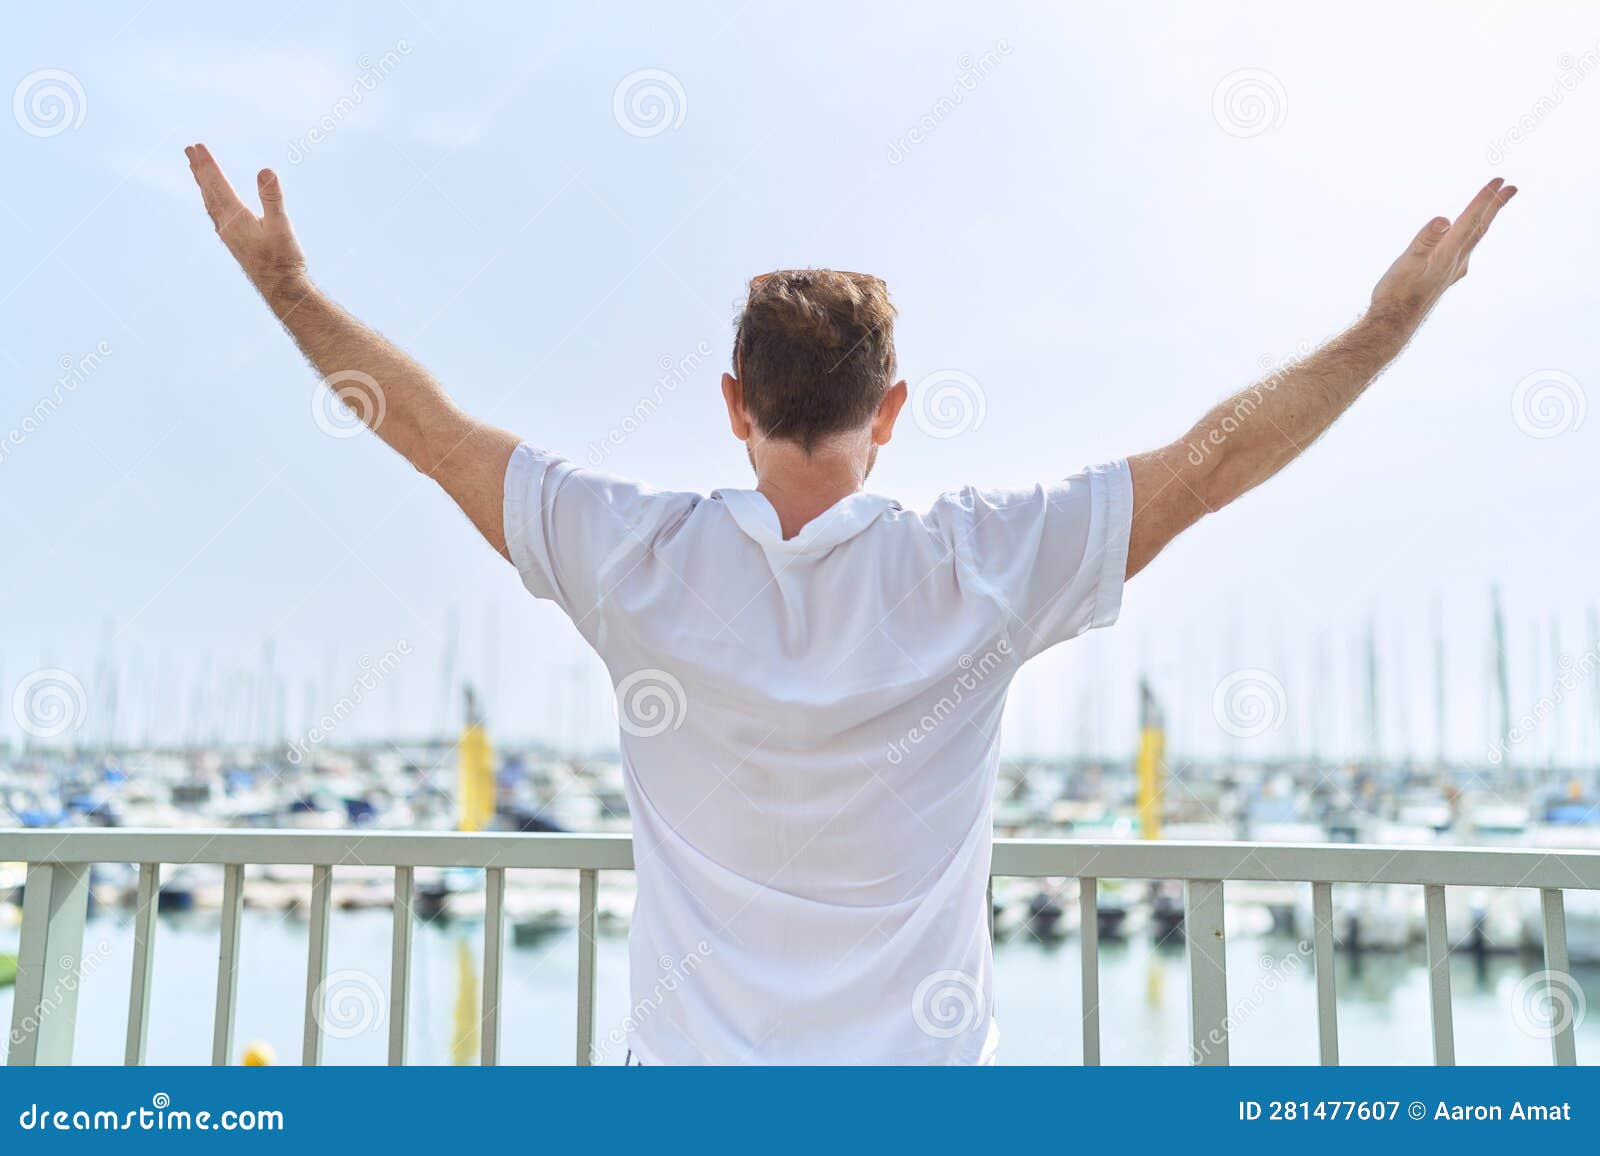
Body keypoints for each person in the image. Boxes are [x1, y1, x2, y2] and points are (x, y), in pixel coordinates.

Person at [184, 144, 1514, 1064]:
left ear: (734, 405)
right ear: (890, 410)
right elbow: (1213, 465)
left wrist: (286, 288)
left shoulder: (629, 554)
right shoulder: (985, 565)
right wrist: (1386, 325)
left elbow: (427, 434)